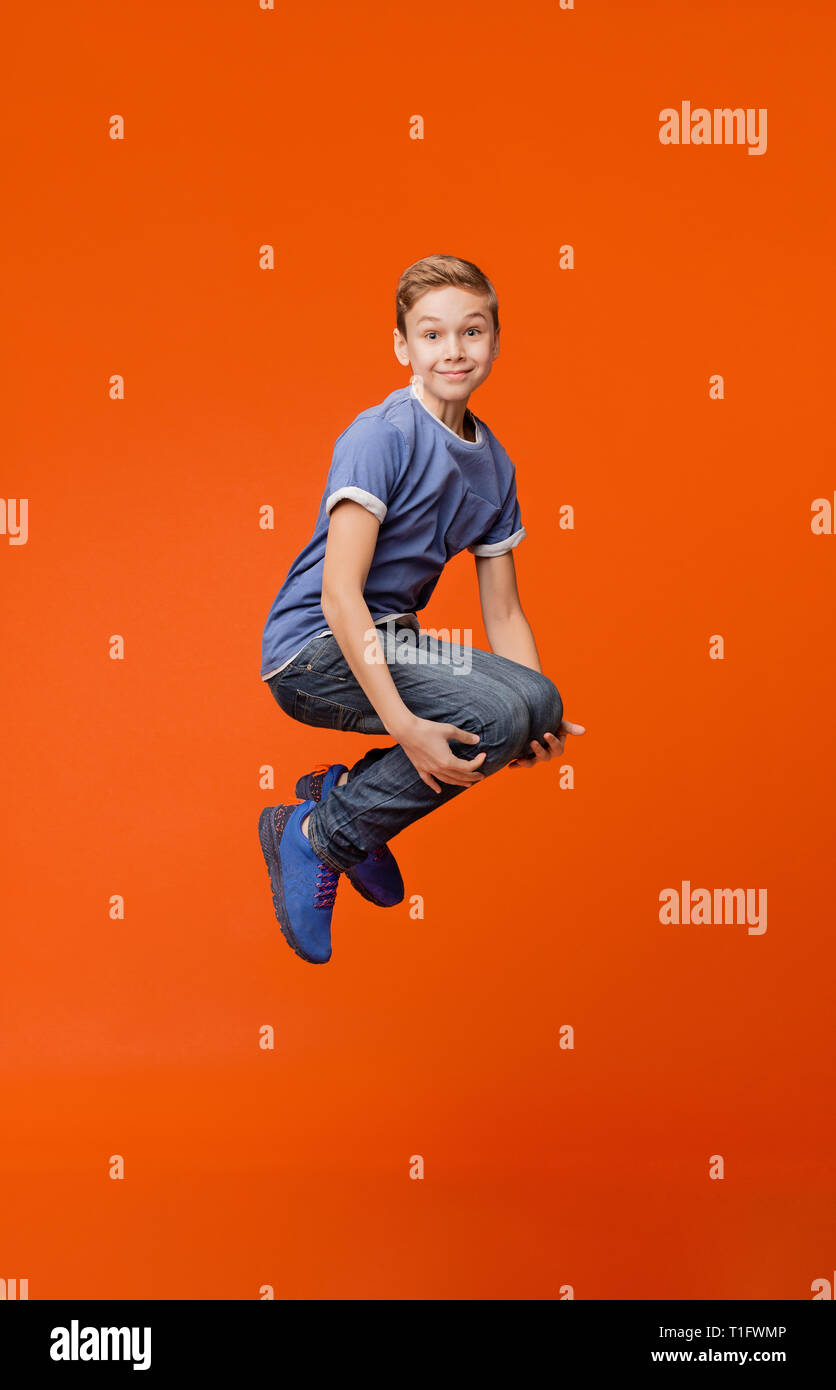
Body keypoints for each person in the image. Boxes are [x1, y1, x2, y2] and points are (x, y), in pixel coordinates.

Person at [258, 253, 585, 964]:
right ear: (403, 347)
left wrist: (541, 715)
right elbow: (339, 595)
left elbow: (503, 612)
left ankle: (343, 794)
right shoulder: (382, 434)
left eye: (471, 332)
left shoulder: (494, 465)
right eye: (432, 335)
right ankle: (325, 834)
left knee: (531, 705)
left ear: (494, 341)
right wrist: (407, 727)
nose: (453, 351)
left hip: (396, 640)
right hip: (316, 648)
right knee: (495, 715)